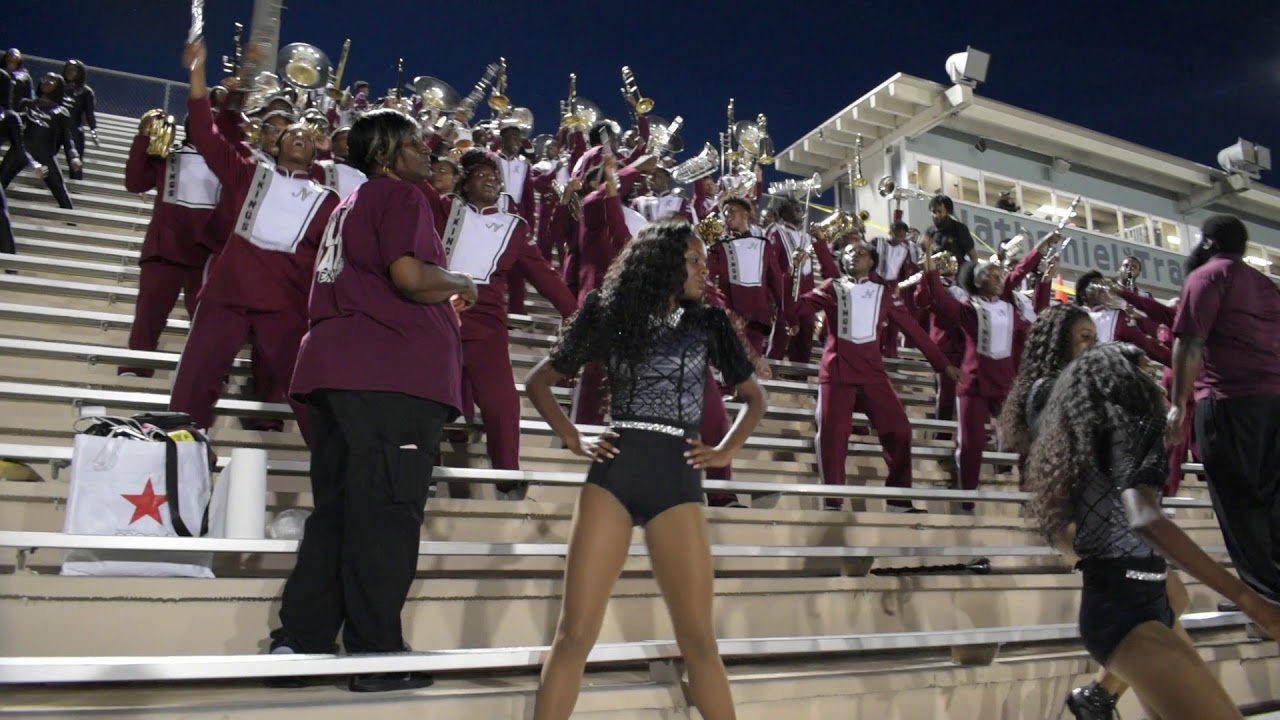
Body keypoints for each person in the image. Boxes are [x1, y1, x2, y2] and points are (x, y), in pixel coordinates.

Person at [525, 219, 765, 720]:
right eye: (695, 260)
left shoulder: (709, 322)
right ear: (664, 264)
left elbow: (753, 397)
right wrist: (573, 436)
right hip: (614, 475)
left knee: (699, 641)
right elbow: (539, 382)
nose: (705, 269)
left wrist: (723, 452)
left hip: (677, 480)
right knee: (574, 636)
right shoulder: (610, 312)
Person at [272, 108, 477, 693]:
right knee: (386, 516)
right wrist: (460, 281)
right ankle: (374, 653)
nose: (426, 152)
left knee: (337, 514)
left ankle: (303, 640)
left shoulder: (348, 204)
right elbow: (410, 278)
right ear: (386, 154)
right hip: (389, 374)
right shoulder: (402, 197)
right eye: (414, 143)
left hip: (336, 370)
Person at [1027, 343, 1280, 720]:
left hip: (1136, 604)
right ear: (1124, 381)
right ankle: (1096, 697)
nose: (1162, 382)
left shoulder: (1105, 437)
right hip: (1127, 615)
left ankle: (1096, 698)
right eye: (1147, 369)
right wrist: (1251, 601)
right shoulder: (1136, 424)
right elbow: (1144, 518)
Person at [172, 41, 338, 440]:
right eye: (288, 133)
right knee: (194, 382)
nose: (297, 136)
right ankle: (180, 450)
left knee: (307, 388)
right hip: (228, 293)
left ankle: (340, 467)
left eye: (305, 135)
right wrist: (197, 72)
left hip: (286, 303)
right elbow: (205, 133)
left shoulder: (329, 200)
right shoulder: (248, 173)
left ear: (317, 150)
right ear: (273, 146)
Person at [790, 240, 959, 513]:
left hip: (872, 373)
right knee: (832, 435)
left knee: (900, 430)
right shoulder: (831, 287)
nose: (854, 256)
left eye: (861, 253)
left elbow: (913, 330)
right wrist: (795, 273)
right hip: (836, 372)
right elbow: (795, 311)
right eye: (848, 253)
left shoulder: (883, 292)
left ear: (872, 261)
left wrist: (942, 364)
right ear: (842, 261)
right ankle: (833, 501)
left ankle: (897, 499)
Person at [1168, 214, 1280, 613]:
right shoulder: (1266, 285)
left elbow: (1190, 343)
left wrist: (1178, 405)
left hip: (1228, 399)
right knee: (1270, 496)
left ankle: (1264, 594)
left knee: (1236, 497)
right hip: (1273, 400)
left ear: (1210, 242)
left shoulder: (1206, 277)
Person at [117, 114, 217, 377]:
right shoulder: (168, 156)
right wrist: (143, 138)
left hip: (205, 255)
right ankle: (137, 367)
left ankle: (209, 374)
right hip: (165, 250)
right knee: (149, 315)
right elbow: (135, 182)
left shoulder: (226, 163)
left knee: (208, 321)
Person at [0, 72, 77, 209]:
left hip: (45, 154)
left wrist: (73, 156)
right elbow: (14, 125)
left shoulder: (61, 111)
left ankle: (73, 222)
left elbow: (67, 137)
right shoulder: (27, 103)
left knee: (60, 190)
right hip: (21, 150)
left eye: (52, 80)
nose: (47, 81)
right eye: (45, 78)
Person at [60, 59, 97, 180]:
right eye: (68, 69)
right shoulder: (58, 86)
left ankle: (76, 184)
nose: (70, 72)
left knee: (75, 160)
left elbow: (89, 112)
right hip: (55, 126)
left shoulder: (85, 91)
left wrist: (93, 130)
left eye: (74, 70)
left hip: (73, 127)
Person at [928, 194, 978, 265]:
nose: (936, 216)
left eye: (939, 211)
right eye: (933, 212)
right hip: (935, 274)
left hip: (958, 272)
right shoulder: (929, 232)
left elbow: (972, 254)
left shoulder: (960, 229)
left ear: (948, 211)